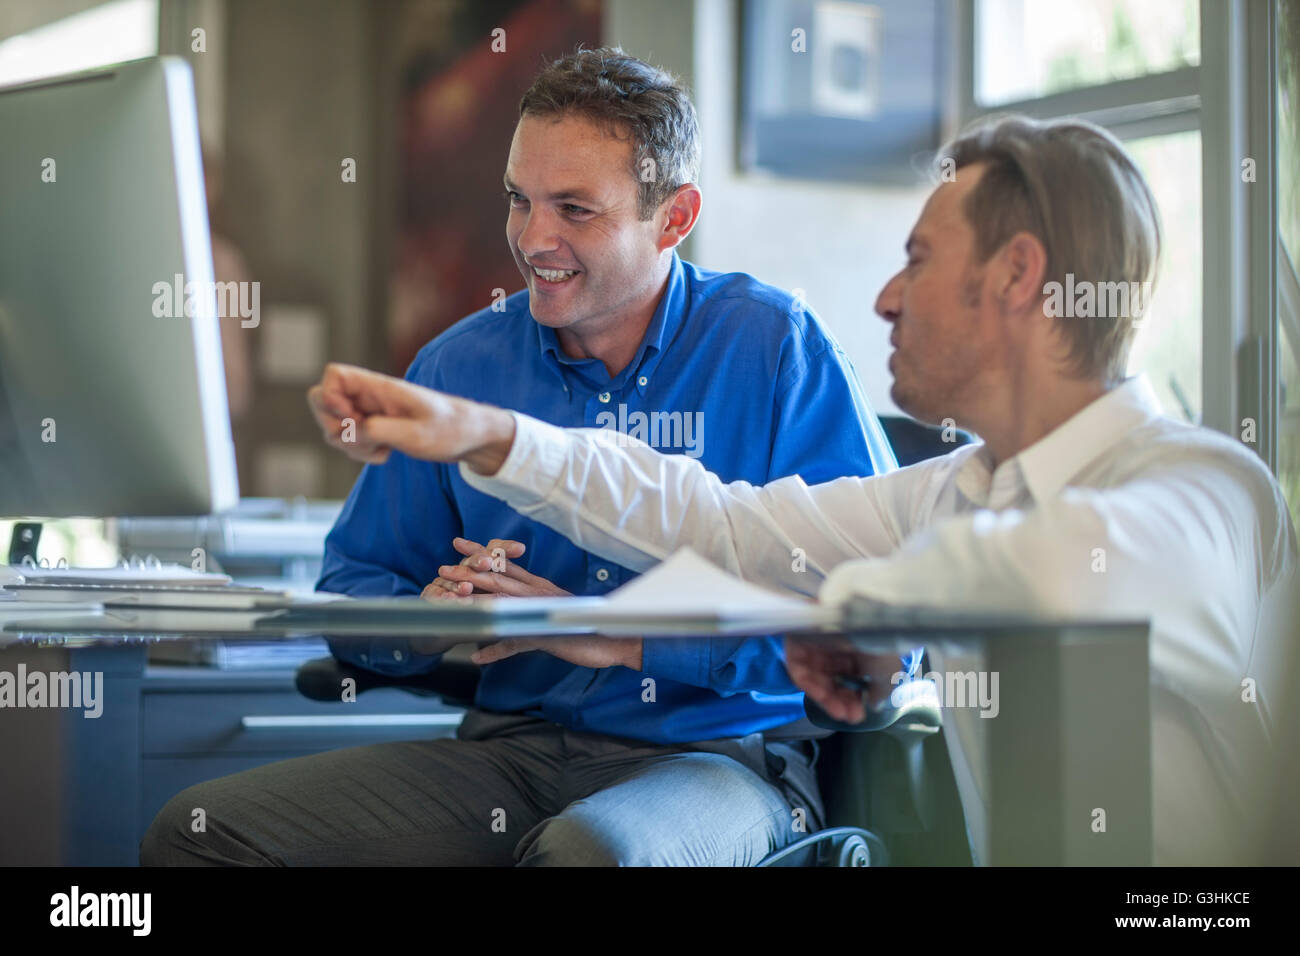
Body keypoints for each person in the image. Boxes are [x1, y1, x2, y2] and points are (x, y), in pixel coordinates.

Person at [300, 115, 1298, 866]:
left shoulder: (1206, 485)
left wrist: (860, 610)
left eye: (916, 259)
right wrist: (488, 433)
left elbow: (1061, 569)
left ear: (1016, 275)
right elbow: (720, 520)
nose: (884, 297)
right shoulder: (957, 491)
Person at [140, 48, 896, 866]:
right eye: (519, 200)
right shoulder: (459, 371)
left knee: (585, 855)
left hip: (719, 763)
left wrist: (614, 637)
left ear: (673, 218)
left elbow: (881, 629)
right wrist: (432, 621)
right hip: (514, 753)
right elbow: (355, 587)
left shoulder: (777, 349)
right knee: (200, 836)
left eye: (575, 208)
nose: (533, 239)